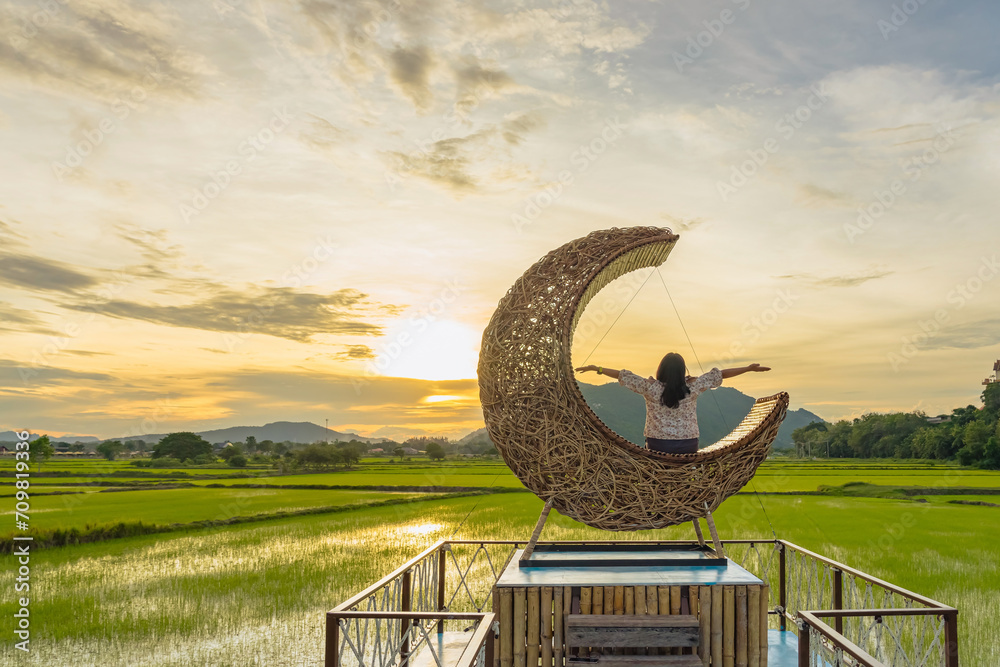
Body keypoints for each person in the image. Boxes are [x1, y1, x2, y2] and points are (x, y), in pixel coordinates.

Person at [574, 353, 771, 454]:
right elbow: (720, 374)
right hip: (688, 445)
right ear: (681, 371)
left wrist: (596, 368)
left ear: (661, 369)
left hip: (657, 445)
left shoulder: (650, 388)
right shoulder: (692, 388)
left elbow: (623, 376)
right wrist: (748, 368)